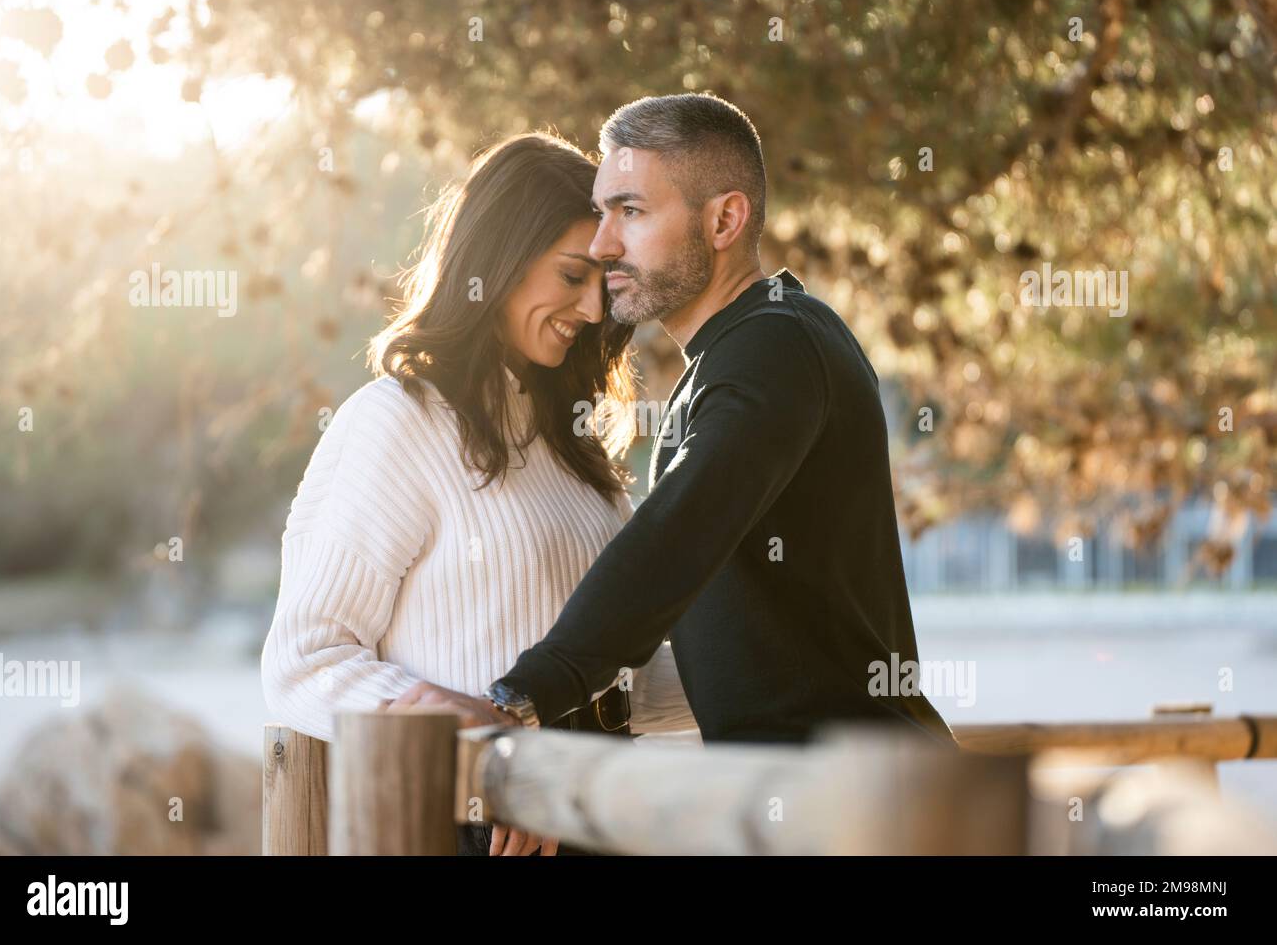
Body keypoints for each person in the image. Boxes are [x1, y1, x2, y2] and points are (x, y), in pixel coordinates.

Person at [260, 132, 697, 857]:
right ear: (497, 263)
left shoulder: (575, 447)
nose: (593, 310)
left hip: (600, 811)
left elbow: (622, 674)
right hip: (473, 830)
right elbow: (303, 661)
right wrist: (479, 746)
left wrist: (785, 669)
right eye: (570, 276)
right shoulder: (397, 421)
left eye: (602, 281)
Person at [485, 94, 956, 749]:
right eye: (601, 213)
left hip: (866, 807)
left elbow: (676, 535)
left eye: (631, 210)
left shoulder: (779, 345)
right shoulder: (751, 350)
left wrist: (523, 697)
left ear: (725, 220)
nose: (602, 244)